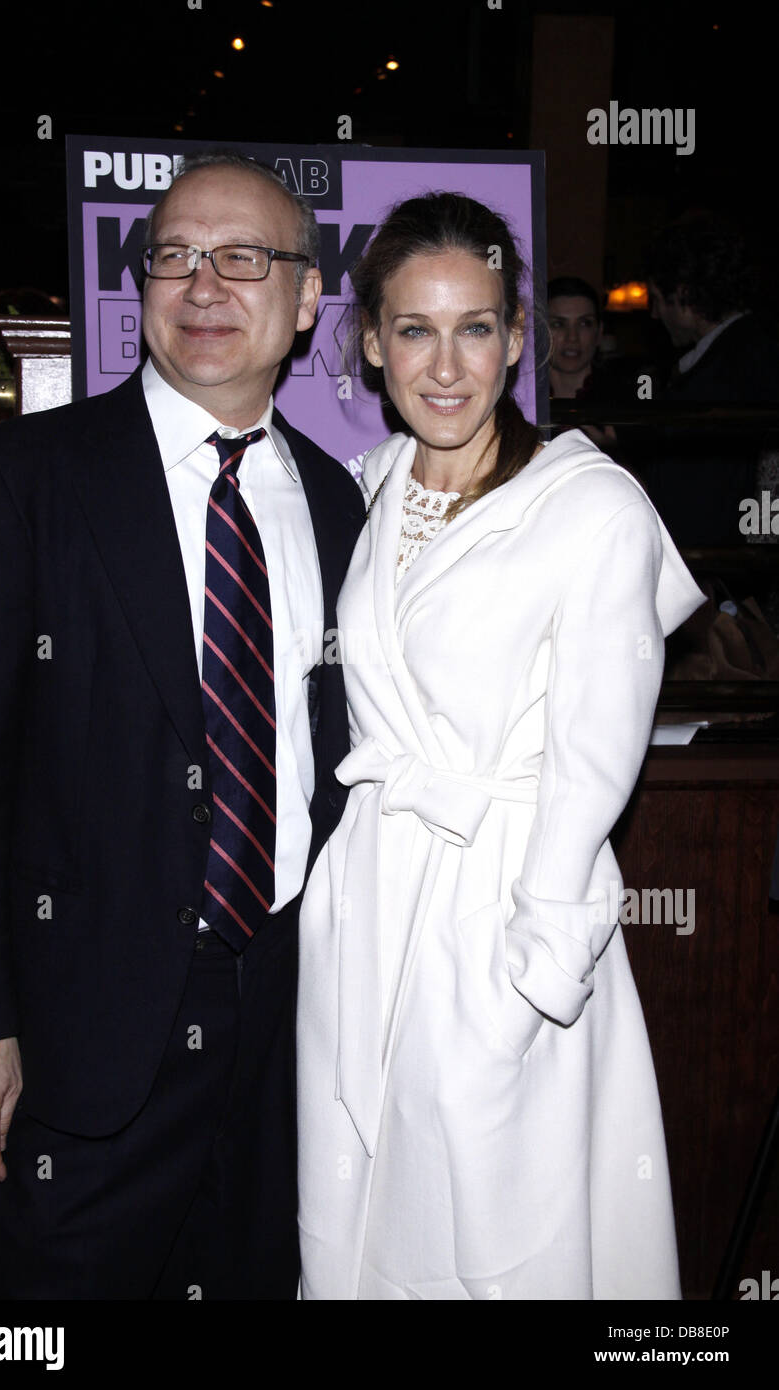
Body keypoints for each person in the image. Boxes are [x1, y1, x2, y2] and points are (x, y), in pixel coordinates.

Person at [0, 151, 365, 1299]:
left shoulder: (333, 496)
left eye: (242, 259)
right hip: (80, 1035)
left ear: (307, 300)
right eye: (172, 257)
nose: (202, 286)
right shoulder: (16, 478)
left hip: (285, 1022)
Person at [296, 191, 705, 1300]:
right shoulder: (369, 490)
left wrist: (532, 971)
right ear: (371, 343)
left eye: (473, 326)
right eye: (413, 330)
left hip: (507, 913)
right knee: (362, 1217)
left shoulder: (587, 506)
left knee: (501, 1232)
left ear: (516, 338)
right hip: (368, 900)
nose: (443, 364)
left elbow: (592, 760)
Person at [633, 210, 779, 547]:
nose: (654, 314)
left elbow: (697, 502)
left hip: (729, 572)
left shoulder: (724, 373)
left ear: (683, 295)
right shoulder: (755, 346)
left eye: (656, 299)